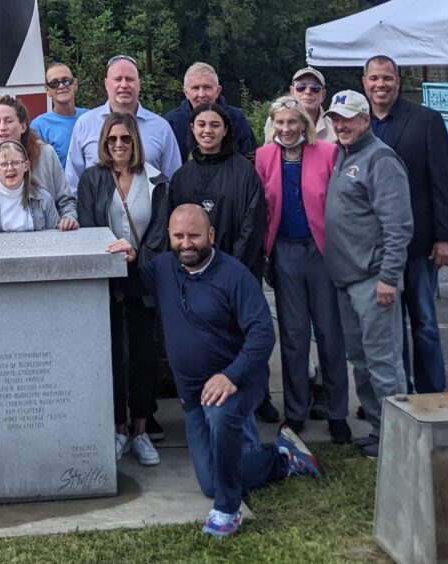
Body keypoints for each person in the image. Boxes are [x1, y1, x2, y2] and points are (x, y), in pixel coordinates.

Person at [123, 204, 322, 538]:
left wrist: (231, 375)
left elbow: (262, 334)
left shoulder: (234, 276)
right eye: (178, 236)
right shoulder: (163, 268)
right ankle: (282, 459)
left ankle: (228, 510)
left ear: (211, 235)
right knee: (210, 482)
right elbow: (132, 288)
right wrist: (126, 259)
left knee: (220, 419)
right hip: (192, 396)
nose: (186, 243)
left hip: (238, 381)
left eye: (194, 235)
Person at [167, 102, 276, 423]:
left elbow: (252, 222)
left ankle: (258, 394)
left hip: (237, 270)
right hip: (195, 273)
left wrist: (233, 271)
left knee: (245, 334)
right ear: (192, 130)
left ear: (226, 130)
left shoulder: (243, 170)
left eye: (214, 125)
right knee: (207, 339)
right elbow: (173, 226)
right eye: (201, 125)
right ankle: (206, 396)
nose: (207, 131)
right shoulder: (182, 177)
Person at [255, 96, 351, 442]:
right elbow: (262, 208)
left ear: (304, 124)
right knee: (294, 338)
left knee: (329, 334)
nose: (286, 129)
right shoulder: (264, 156)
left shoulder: (327, 152)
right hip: (284, 252)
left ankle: (337, 412)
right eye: (280, 123)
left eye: (292, 122)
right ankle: (295, 412)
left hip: (321, 253)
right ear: (272, 125)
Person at [324, 90, 413, 458]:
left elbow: (399, 226)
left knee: (384, 363)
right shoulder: (343, 156)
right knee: (361, 361)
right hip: (346, 280)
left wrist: (389, 278)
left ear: (365, 120)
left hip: (374, 281)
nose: (341, 125)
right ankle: (380, 430)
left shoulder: (381, 159)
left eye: (347, 118)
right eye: (336, 119)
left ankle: (400, 440)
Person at [362, 55, 448, 394]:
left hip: (418, 244)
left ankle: (433, 395)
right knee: (388, 330)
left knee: (425, 324)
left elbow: (444, 182)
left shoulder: (426, 121)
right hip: (374, 249)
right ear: (365, 83)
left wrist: (447, 237)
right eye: (374, 78)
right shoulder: (357, 125)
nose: (380, 85)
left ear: (398, 82)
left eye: (387, 78)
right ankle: (398, 394)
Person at [76, 112, 168, 466]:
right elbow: (88, 225)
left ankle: (142, 430)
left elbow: (160, 232)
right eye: (112, 139)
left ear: (135, 142)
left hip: (143, 280)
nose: (118, 145)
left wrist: (137, 257)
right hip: (107, 281)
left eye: (125, 139)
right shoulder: (92, 179)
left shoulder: (156, 180)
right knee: (111, 356)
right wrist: (113, 258)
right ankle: (118, 427)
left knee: (144, 358)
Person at [66, 54, 181, 195]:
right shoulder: (85, 124)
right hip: (96, 215)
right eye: (118, 79)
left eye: (130, 79)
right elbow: (73, 184)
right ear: (106, 84)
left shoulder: (161, 128)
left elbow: (174, 182)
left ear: (139, 84)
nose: (124, 85)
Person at [0, 95, 78, 230]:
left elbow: (66, 201)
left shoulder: (46, 155)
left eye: (8, 121)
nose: (2, 127)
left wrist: (68, 218)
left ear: (23, 126)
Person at [165, 62, 258, 162]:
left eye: (207, 87)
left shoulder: (235, 118)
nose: (201, 94)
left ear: (218, 91)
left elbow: (250, 159)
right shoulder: (171, 122)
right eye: (195, 88)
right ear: (186, 92)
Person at [31, 63, 88, 167]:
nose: (61, 86)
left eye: (66, 81)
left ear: (75, 84)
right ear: (47, 90)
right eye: (54, 83)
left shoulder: (91, 118)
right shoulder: (39, 127)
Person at [262, 67, 336, 144]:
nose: (308, 92)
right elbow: (268, 153)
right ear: (292, 92)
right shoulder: (274, 121)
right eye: (301, 87)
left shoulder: (334, 127)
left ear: (323, 95)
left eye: (315, 88)